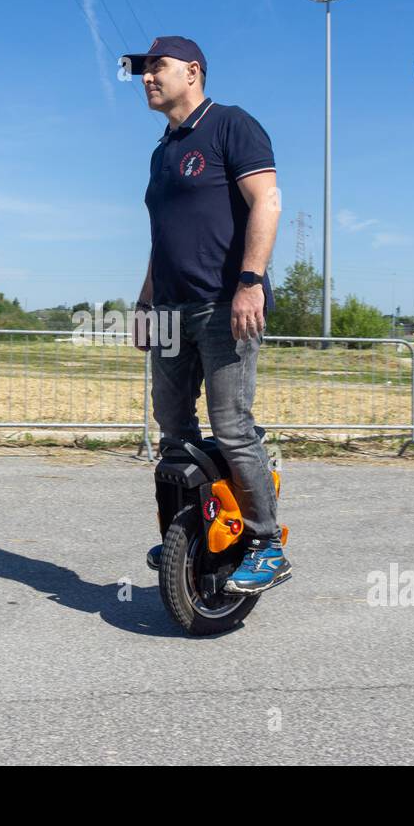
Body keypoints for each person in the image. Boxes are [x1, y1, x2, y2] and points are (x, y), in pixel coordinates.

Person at [122, 36, 290, 595]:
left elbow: (267, 201)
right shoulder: (161, 151)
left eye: (156, 68)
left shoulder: (231, 125)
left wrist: (250, 283)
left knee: (232, 426)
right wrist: (146, 303)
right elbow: (161, 238)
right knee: (172, 429)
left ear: (192, 72)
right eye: (142, 71)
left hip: (223, 304)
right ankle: (187, 529)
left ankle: (267, 544)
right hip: (170, 310)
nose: (146, 77)